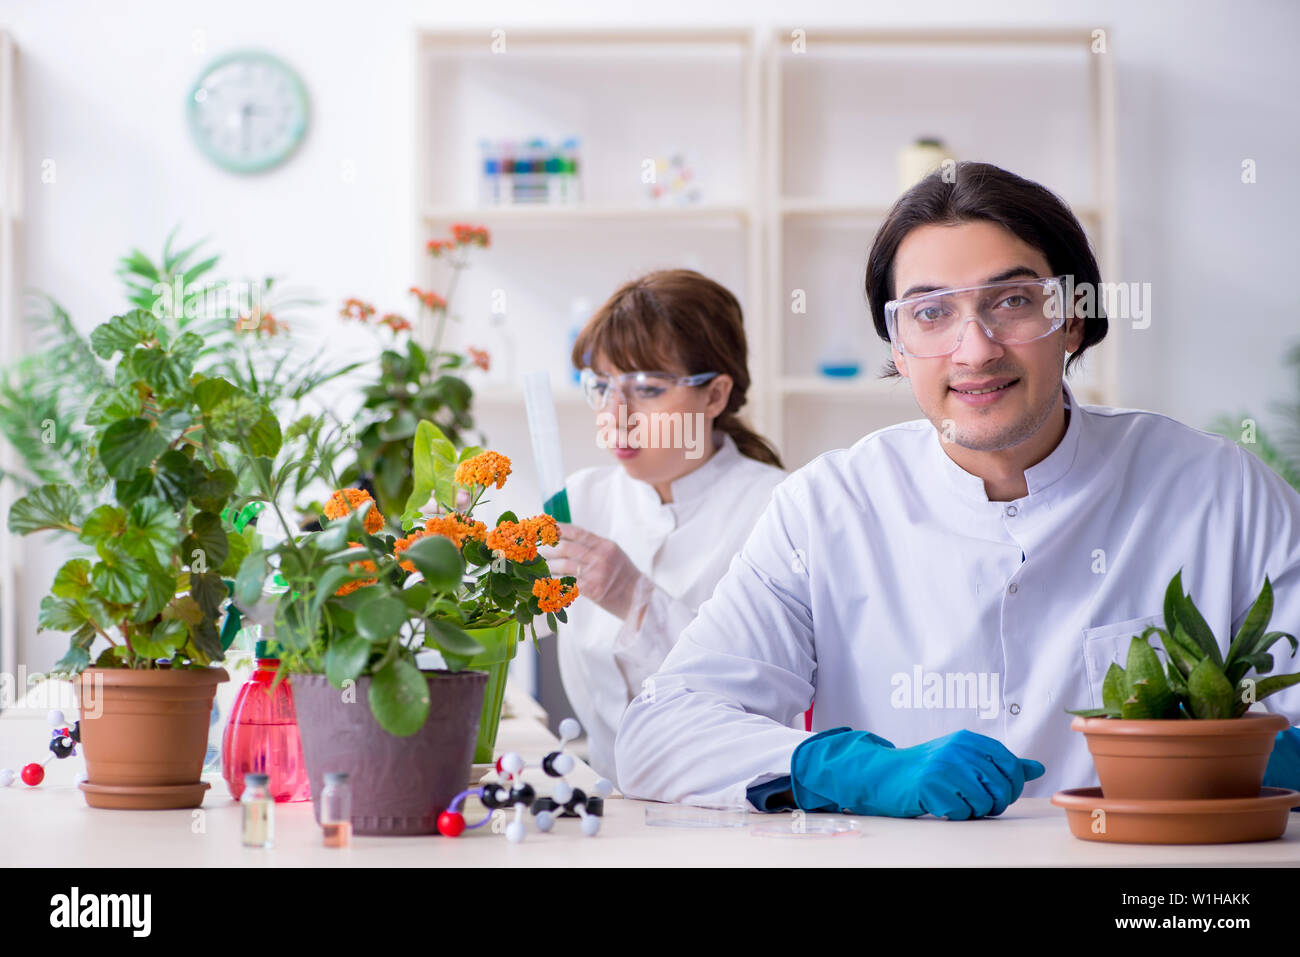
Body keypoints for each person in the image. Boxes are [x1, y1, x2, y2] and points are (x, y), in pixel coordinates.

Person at [615, 162, 1300, 819]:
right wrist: (854, 769)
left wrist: (1218, 757)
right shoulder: (826, 509)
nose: (975, 350)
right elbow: (659, 733)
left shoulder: (1221, 492)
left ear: (1075, 318)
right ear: (899, 345)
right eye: (931, 313)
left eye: (1013, 301)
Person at [539, 269, 787, 785]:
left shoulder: (779, 509)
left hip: (739, 809)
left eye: (647, 389)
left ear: (714, 395)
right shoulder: (581, 498)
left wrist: (636, 599)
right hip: (613, 807)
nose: (616, 413)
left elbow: (755, 696)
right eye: (601, 387)